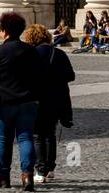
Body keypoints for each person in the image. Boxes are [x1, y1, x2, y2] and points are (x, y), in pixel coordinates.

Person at [0, 12, 42, 190]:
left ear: (3, 31)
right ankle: (27, 175)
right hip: (28, 102)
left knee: (3, 140)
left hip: (3, 103)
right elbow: (40, 77)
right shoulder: (31, 52)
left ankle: (4, 176)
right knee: (25, 138)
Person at [23, 24, 75, 183]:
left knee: (38, 135)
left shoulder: (30, 55)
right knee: (50, 134)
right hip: (56, 99)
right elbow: (70, 76)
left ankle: (40, 170)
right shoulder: (58, 54)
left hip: (37, 99)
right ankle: (50, 169)